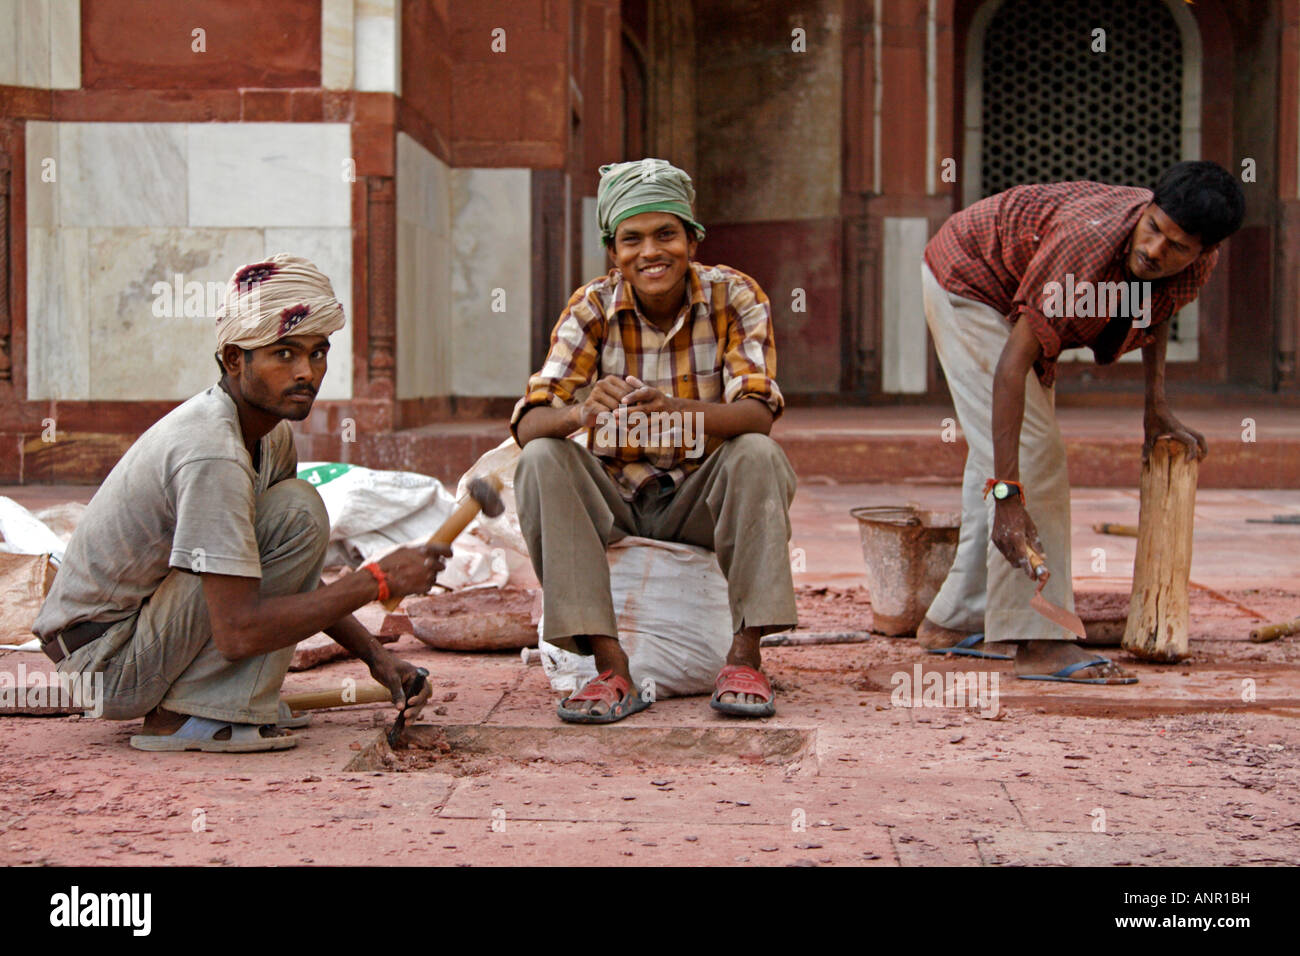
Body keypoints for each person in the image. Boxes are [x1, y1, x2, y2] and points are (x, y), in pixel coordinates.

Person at [33, 254, 447, 751]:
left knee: (295, 513)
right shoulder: (213, 453)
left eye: (318, 353)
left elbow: (284, 571)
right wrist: (376, 581)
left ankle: (217, 701)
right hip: (106, 665)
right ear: (234, 359)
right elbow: (238, 631)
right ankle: (188, 717)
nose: (307, 372)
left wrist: (376, 659)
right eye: (284, 354)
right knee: (298, 510)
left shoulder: (268, 435)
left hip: (136, 640)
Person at [918, 161, 1245, 684]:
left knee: (1008, 448)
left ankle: (957, 619)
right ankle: (1038, 638)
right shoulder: (1083, 246)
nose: (1157, 250)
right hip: (970, 280)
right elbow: (1010, 367)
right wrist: (1007, 496)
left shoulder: (1195, 262)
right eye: (1154, 228)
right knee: (1033, 455)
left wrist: (1155, 406)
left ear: (1203, 252)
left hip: (1012, 290)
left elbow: (1153, 310)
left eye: (1178, 247)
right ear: (1146, 209)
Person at [512, 158, 797, 723]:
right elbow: (527, 425)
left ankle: (744, 657)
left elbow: (758, 414)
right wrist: (578, 411)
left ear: (691, 239)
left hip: (696, 500)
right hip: (615, 500)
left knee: (759, 456)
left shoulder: (734, 296)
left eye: (666, 233)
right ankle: (610, 666)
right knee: (543, 457)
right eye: (631, 240)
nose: (651, 252)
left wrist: (678, 411)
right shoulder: (591, 306)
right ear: (613, 252)